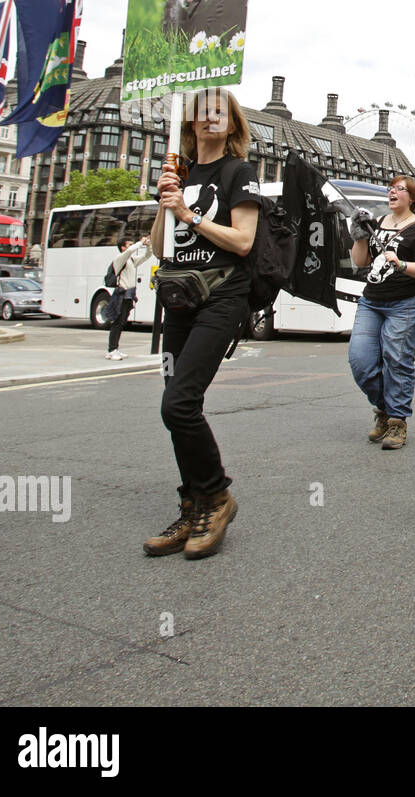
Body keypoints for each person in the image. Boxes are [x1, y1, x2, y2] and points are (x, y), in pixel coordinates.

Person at [145, 88, 259, 560]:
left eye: (220, 112)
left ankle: (216, 497)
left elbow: (243, 241)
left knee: (181, 402)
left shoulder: (239, 173)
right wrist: (165, 202)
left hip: (221, 296)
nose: (210, 118)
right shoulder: (182, 172)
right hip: (179, 296)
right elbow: (157, 247)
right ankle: (192, 503)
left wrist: (189, 215)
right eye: (202, 112)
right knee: (173, 405)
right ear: (189, 124)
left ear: (232, 124)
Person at [347, 175, 415, 451]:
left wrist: (401, 264)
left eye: (400, 189)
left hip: (408, 303)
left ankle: (397, 421)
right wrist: (359, 235)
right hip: (372, 301)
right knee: (360, 360)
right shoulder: (376, 223)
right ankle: (385, 408)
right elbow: (360, 261)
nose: (392, 192)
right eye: (392, 188)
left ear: (413, 197)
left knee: (396, 359)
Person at [105, 235, 151, 360]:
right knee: (117, 323)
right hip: (121, 294)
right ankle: (112, 349)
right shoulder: (119, 259)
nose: (131, 246)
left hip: (128, 295)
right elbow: (131, 250)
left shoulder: (130, 260)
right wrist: (140, 242)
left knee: (121, 323)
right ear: (122, 247)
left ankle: (115, 349)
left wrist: (148, 246)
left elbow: (147, 256)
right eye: (129, 244)